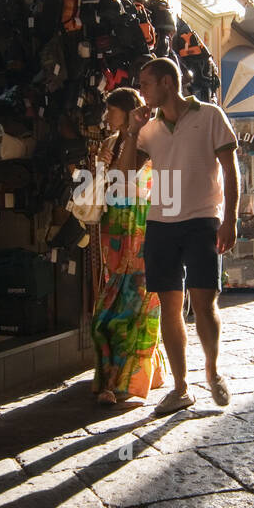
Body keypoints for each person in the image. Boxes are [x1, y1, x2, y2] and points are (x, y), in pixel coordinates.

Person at [118, 57, 239, 415]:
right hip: (161, 223)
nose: (141, 91)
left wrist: (229, 219)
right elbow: (124, 175)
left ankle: (213, 370)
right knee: (169, 308)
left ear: (168, 83)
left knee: (204, 302)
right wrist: (130, 131)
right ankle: (181, 388)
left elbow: (231, 172)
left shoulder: (211, 115)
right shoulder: (148, 128)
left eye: (145, 84)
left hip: (203, 219)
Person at [89, 88, 167, 406]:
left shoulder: (146, 139)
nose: (107, 116)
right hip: (115, 231)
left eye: (112, 110)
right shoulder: (109, 143)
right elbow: (105, 186)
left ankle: (121, 381)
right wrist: (98, 166)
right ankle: (144, 371)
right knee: (113, 304)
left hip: (140, 230)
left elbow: (127, 176)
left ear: (126, 111)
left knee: (136, 304)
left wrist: (110, 164)